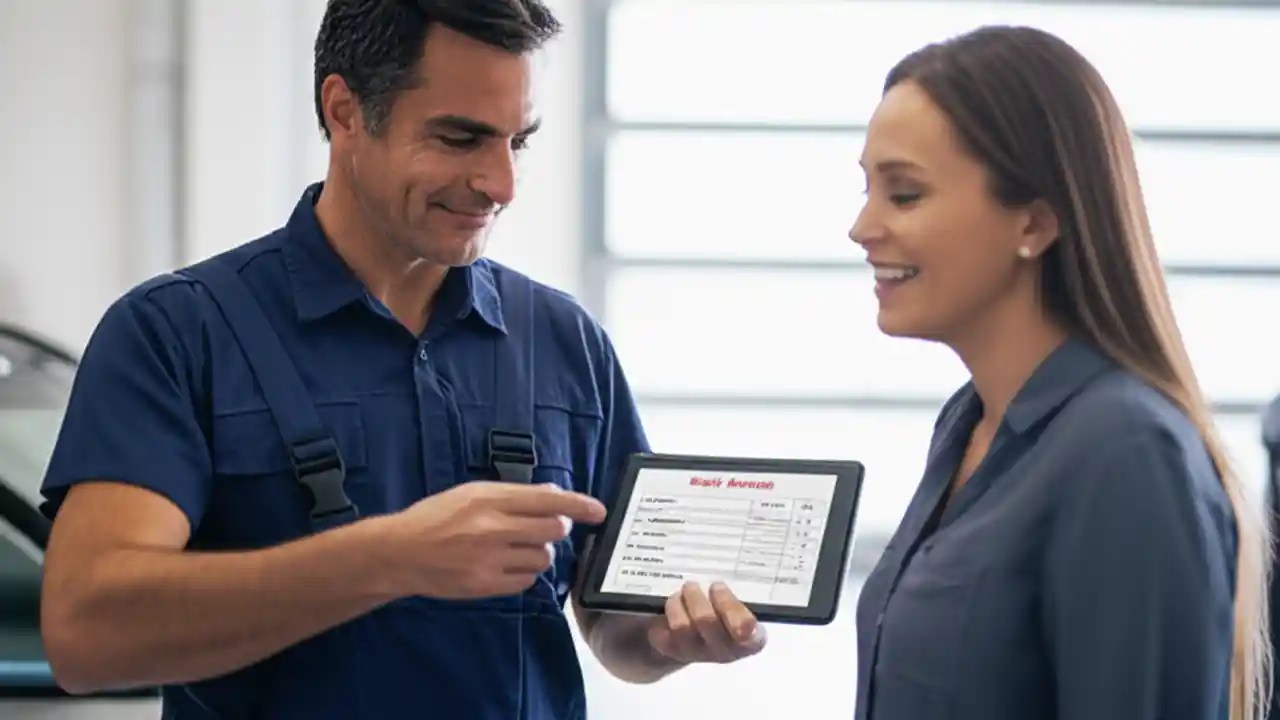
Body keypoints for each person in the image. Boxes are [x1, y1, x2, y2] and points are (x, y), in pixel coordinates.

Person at [37, 1, 765, 717]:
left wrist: (670, 637)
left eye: (519, 142)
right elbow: (88, 635)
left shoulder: (565, 341)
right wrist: (388, 558)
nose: (501, 185)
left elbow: (614, 632)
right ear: (345, 110)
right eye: (459, 138)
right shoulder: (174, 334)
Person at [847, 25, 1270, 720]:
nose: (862, 228)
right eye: (867, 190)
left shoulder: (1125, 450)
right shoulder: (967, 422)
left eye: (905, 195)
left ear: (1035, 224)